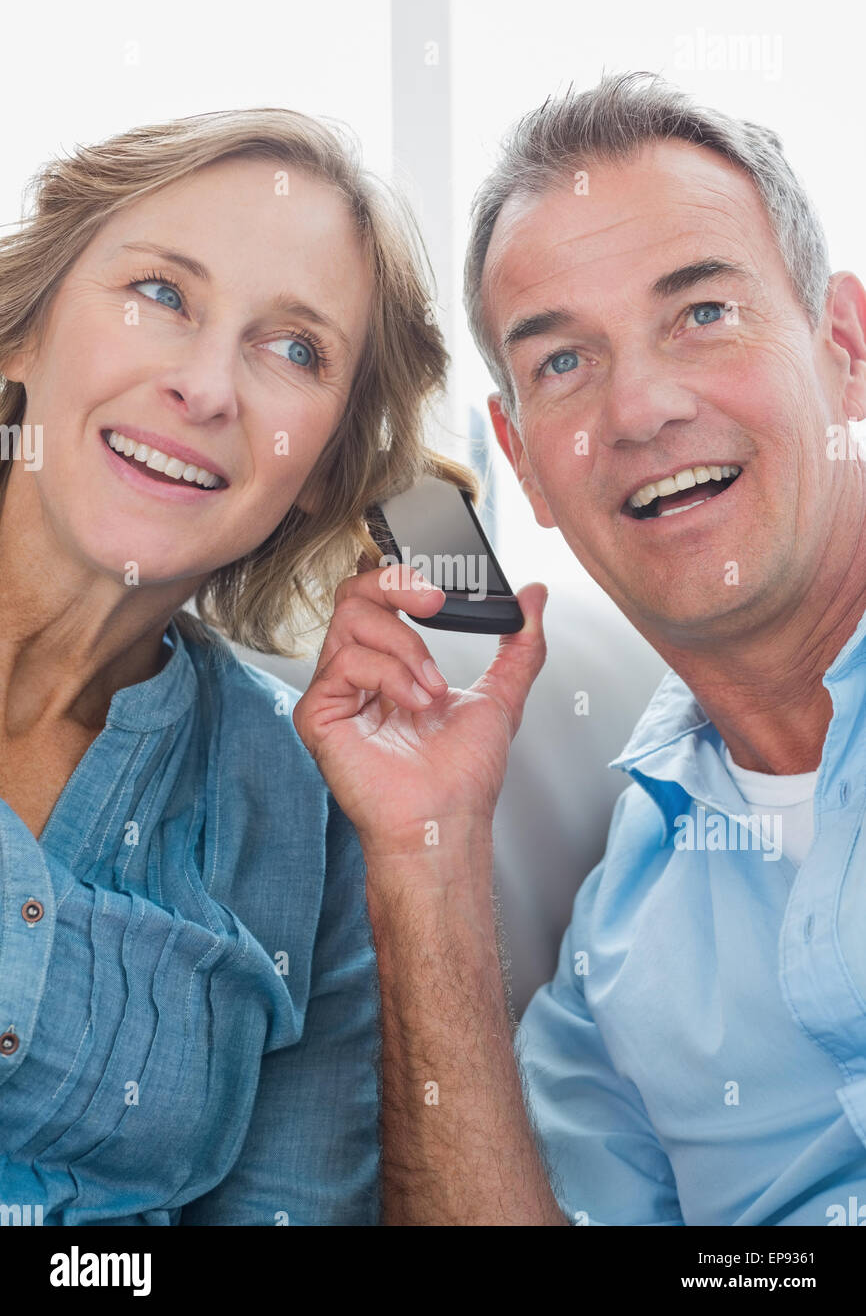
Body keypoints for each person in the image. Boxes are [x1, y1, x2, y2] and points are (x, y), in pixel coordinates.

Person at [293, 71, 866, 1225]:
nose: (642, 406)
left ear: (843, 346)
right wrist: (426, 866)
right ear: (521, 457)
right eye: (563, 362)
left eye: (702, 313)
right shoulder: (617, 942)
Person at [0, 106, 473, 1225]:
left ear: (320, 466)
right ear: (25, 332)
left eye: (295, 350)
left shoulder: (300, 811)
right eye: (160, 293)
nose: (208, 388)